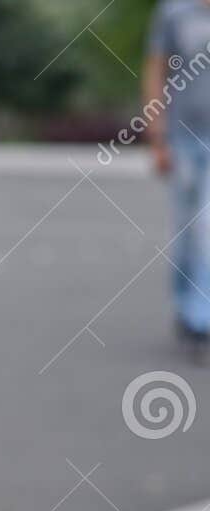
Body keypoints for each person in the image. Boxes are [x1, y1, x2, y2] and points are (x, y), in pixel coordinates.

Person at [145, 0, 210, 360]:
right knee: (185, 230)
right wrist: (157, 134)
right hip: (182, 135)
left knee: (206, 226)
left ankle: (202, 319)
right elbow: (156, 70)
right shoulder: (174, 12)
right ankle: (186, 307)